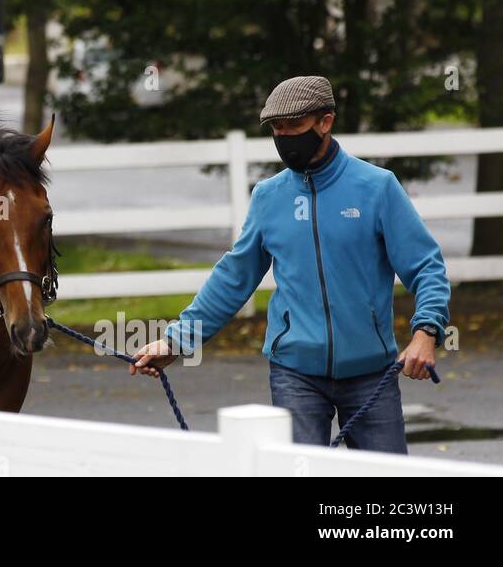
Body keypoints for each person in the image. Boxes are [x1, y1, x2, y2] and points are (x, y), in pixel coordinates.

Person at [132, 75, 450, 452]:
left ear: (325, 121)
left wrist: (426, 332)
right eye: (276, 129)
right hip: (294, 374)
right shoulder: (269, 197)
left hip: (371, 374)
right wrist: (176, 341)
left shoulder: (377, 187)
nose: (284, 136)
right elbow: (234, 277)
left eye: (294, 126)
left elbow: (426, 266)